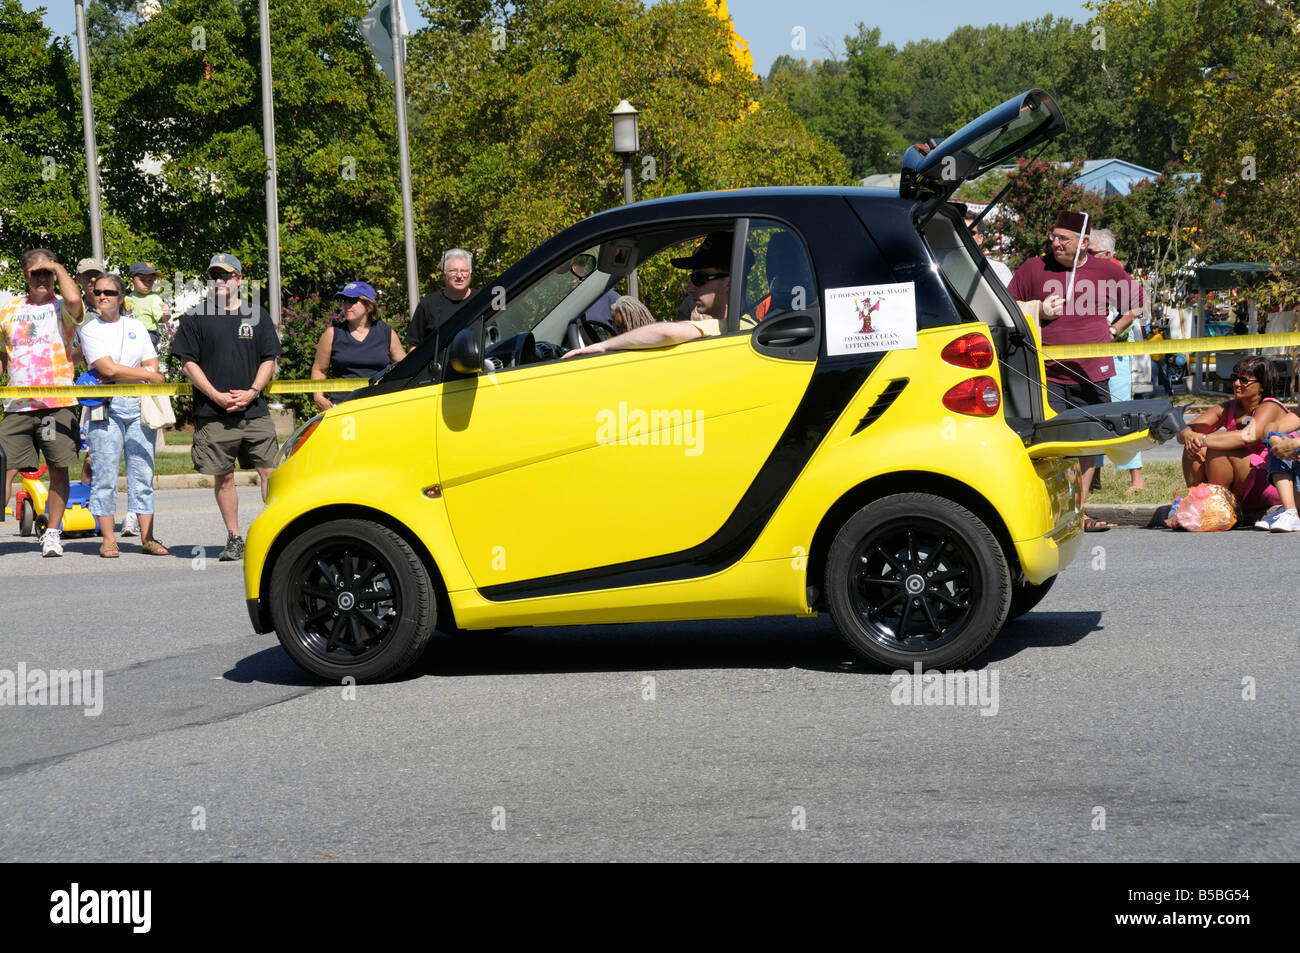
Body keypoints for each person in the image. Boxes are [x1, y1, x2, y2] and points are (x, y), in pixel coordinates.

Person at [1008, 210, 1145, 531]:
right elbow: (1006, 307)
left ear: (1084, 242)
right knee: (1052, 446)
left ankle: (1078, 514)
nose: (1054, 243)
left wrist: (1116, 329)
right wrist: (1039, 310)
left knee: (1087, 442)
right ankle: (1050, 513)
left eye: (1063, 238)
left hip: (1093, 373)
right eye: (1053, 236)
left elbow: (1139, 301)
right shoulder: (1034, 268)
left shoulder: (1105, 269)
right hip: (1046, 374)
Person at [171, 253, 281, 561]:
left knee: (269, 471)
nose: (220, 281)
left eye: (226, 275)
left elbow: (268, 359)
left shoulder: (256, 314)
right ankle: (234, 538)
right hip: (213, 412)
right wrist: (216, 395)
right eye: (214, 275)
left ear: (239, 280)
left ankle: (275, 534)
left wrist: (252, 392)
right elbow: (188, 363)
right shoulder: (195, 317)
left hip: (254, 409)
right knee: (224, 476)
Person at [0, 249, 84, 556]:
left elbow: (76, 301)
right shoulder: (8, 310)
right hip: (18, 405)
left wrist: (57, 266)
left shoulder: (62, 307)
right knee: (3, 467)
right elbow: (2, 355)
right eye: (37, 272)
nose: (43, 278)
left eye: (48, 273)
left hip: (56, 403)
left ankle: (52, 532)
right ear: (26, 275)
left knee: (59, 468)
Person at [78, 273, 168, 557]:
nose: (101, 296)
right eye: (98, 292)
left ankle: (148, 538)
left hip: (137, 405)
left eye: (108, 292)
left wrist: (139, 374)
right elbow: (108, 369)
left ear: (121, 298)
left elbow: (152, 362)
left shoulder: (136, 326)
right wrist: (145, 375)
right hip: (106, 405)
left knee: (143, 472)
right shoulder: (90, 330)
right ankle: (108, 539)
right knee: (104, 473)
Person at [563, 232, 754, 358]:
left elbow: (667, 332)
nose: (690, 288)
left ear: (729, 283)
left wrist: (604, 346)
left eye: (699, 279)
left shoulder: (733, 327)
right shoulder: (737, 327)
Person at [1177, 355, 1287, 517]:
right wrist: (1187, 434)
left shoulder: (1271, 406)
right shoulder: (1229, 407)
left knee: (1217, 449)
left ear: (1262, 386)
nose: (1236, 383)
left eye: (1244, 380)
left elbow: (1248, 436)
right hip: (1243, 476)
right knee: (1193, 449)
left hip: (1270, 480)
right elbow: (1186, 431)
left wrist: (1203, 439)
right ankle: (1197, 504)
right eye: (1235, 378)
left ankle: (1219, 509)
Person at [1088, 228, 1144, 492]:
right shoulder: (1085, 276)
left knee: (1120, 411)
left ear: (1107, 254)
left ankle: (1137, 479)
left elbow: (1136, 308)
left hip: (1116, 354)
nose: (1085, 257)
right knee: (1092, 412)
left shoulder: (1119, 276)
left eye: (1090, 253)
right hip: (1091, 353)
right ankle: (1094, 476)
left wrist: (1113, 330)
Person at [310, 281, 405, 412]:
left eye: (352, 300)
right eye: (344, 300)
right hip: (342, 407)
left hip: (380, 405)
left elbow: (404, 367)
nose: (346, 305)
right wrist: (318, 397)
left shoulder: (386, 332)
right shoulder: (332, 333)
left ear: (368, 305)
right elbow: (320, 369)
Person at [407, 249, 474, 349]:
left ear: (470, 272)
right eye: (453, 271)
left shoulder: (481, 299)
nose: (459, 276)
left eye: (464, 271)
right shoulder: (428, 304)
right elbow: (414, 345)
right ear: (444, 273)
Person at [125, 261, 170, 350]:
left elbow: (162, 319)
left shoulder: (154, 298)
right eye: (142, 280)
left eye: (150, 280)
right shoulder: (127, 299)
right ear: (132, 281)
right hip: (131, 333)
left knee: (142, 348)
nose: (147, 283)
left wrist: (166, 314)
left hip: (149, 333)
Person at [964, 213, 1013, 284]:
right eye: (962, 231)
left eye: (971, 233)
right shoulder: (944, 266)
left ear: (980, 238)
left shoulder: (999, 271)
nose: (965, 236)